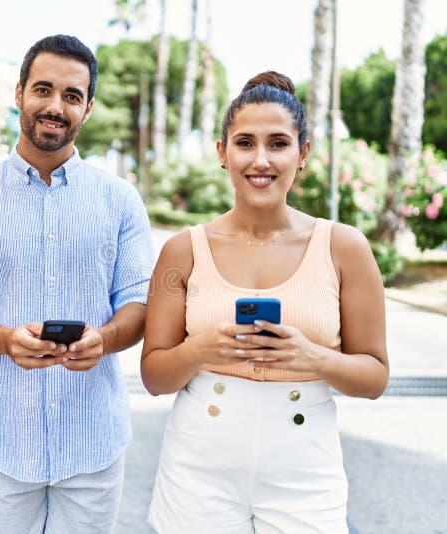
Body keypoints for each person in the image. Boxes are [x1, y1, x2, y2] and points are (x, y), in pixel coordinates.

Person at [141, 71, 389, 533]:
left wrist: (311, 356)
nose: (260, 160)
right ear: (222, 153)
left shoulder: (345, 248)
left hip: (305, 468)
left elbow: (374, 376)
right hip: (198, 466)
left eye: (278, 143)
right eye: (244, 143)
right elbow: (154, 375)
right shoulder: (181, 251)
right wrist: (200, 350)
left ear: (304, 153)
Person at [0, 35, 154, 533]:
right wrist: (4, 341)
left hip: (92, 441)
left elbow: (138, 300)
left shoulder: (120, 200)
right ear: (19, 92)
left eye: (72, 96)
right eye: (43, 90)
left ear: (88, 108)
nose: (55, 106)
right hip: (0, 442)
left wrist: (106, 338)